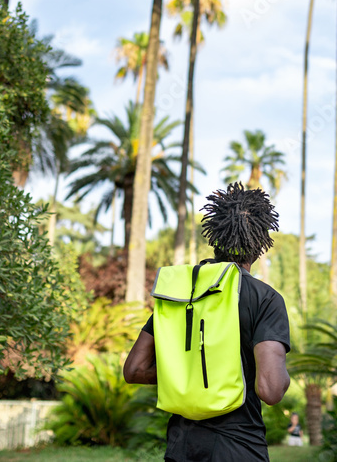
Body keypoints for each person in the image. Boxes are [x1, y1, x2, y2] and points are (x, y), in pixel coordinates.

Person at [124, 182, 291, 462]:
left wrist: (186, 371)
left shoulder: (179, 291)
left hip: (181, 446)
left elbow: (134, 370)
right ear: (260, 244)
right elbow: (270, 390)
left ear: (214, 239)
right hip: (239, 446)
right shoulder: (265, 298)